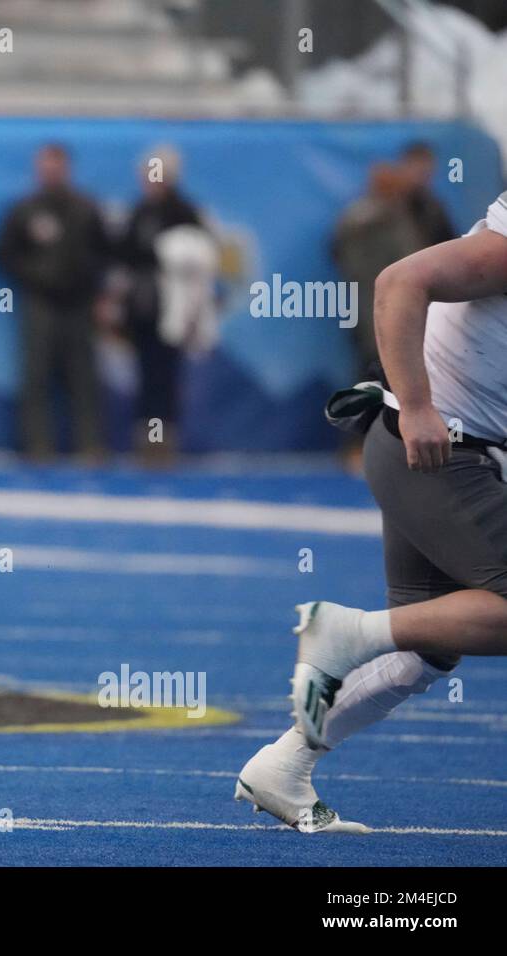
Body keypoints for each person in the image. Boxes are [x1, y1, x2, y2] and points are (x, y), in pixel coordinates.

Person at [236, 187, 507, 832]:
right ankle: (346, 632)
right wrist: (417, 404)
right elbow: (399, 281)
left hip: (444, 449)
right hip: (437, 449)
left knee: (426, 649)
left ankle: (284, 764)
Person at [0, 143, 111, 459]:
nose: (52, 173)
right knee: (36, 375)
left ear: (67, 170)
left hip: (79, 305)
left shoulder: (86, 208)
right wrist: (36, 277)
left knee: (84, 376)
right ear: (39, 171)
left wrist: (88, 281)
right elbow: (6, 255)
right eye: (46, 168)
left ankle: (89, 445)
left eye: (57, 167)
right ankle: (37, 446)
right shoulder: (25, 210)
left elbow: (105, 253)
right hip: (39, 305)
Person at [116, 147, 203, 462]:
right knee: (146, 375)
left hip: (173, 310)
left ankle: (164, 443)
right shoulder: (140, 212)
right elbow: (125, 257)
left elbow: (197, 265)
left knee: (166, 376)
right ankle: (147, 443)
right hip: (143, 309)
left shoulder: (184, 213)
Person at [332, 162, 425, 378]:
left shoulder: (400, 213)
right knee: (377, 359)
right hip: (375, 300)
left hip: (391, 299)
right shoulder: (366, 219)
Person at [398, 140, 457, 249]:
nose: (423, 174)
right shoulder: (387, 204)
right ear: (405, 166)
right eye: (417, 167)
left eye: (426, 168)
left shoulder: (434, 208)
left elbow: (448, 244)